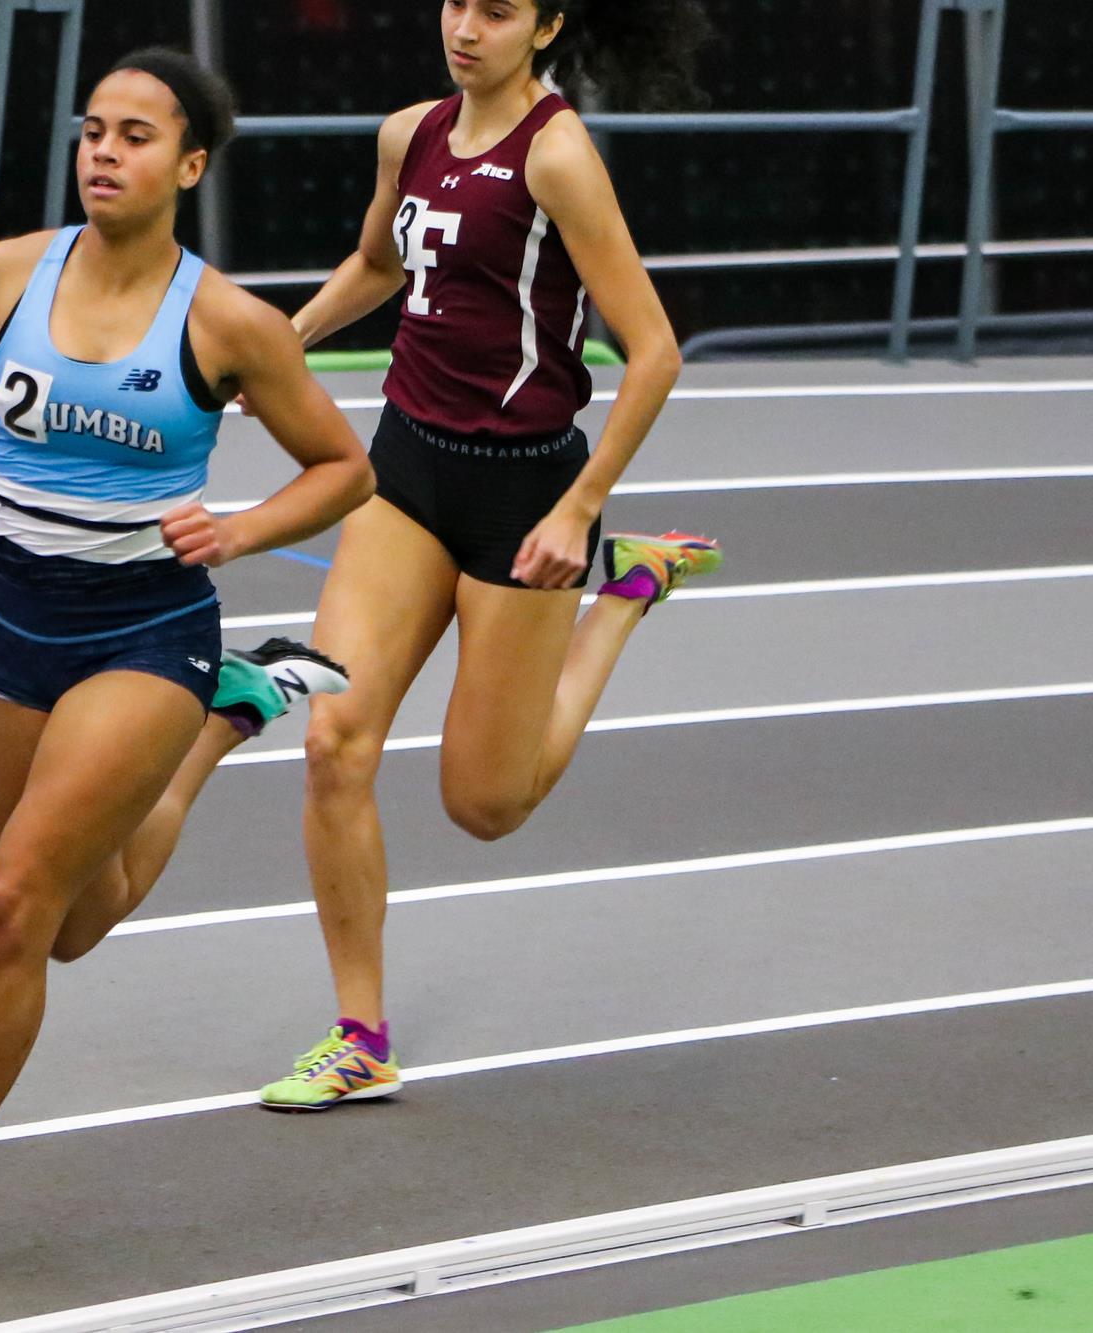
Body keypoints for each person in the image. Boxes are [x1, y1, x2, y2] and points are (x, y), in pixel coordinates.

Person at [0, 48, 373, 1280]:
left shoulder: (226, 321)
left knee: (11, 906)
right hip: (17, 621)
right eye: (90, 131)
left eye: (133, 135)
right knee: (66, 926)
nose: (104, 152)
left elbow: (343, 467)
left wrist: (238, 527)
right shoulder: (5, 275)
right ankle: (227, 725)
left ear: (188, 164)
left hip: (144, 631)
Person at [254, 0, 722, 1111]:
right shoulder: (406, 133)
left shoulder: (557, 156)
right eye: (455, 2)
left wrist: (581, 506)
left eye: (497, 10)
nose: (465, 27)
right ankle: (358, 1035)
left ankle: (627, 590)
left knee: (484, 804)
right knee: (332, 738)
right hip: (404, 469)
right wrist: (281, 339)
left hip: (524, 494)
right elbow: (376, 265)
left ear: (549, 24)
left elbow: (651, 352)